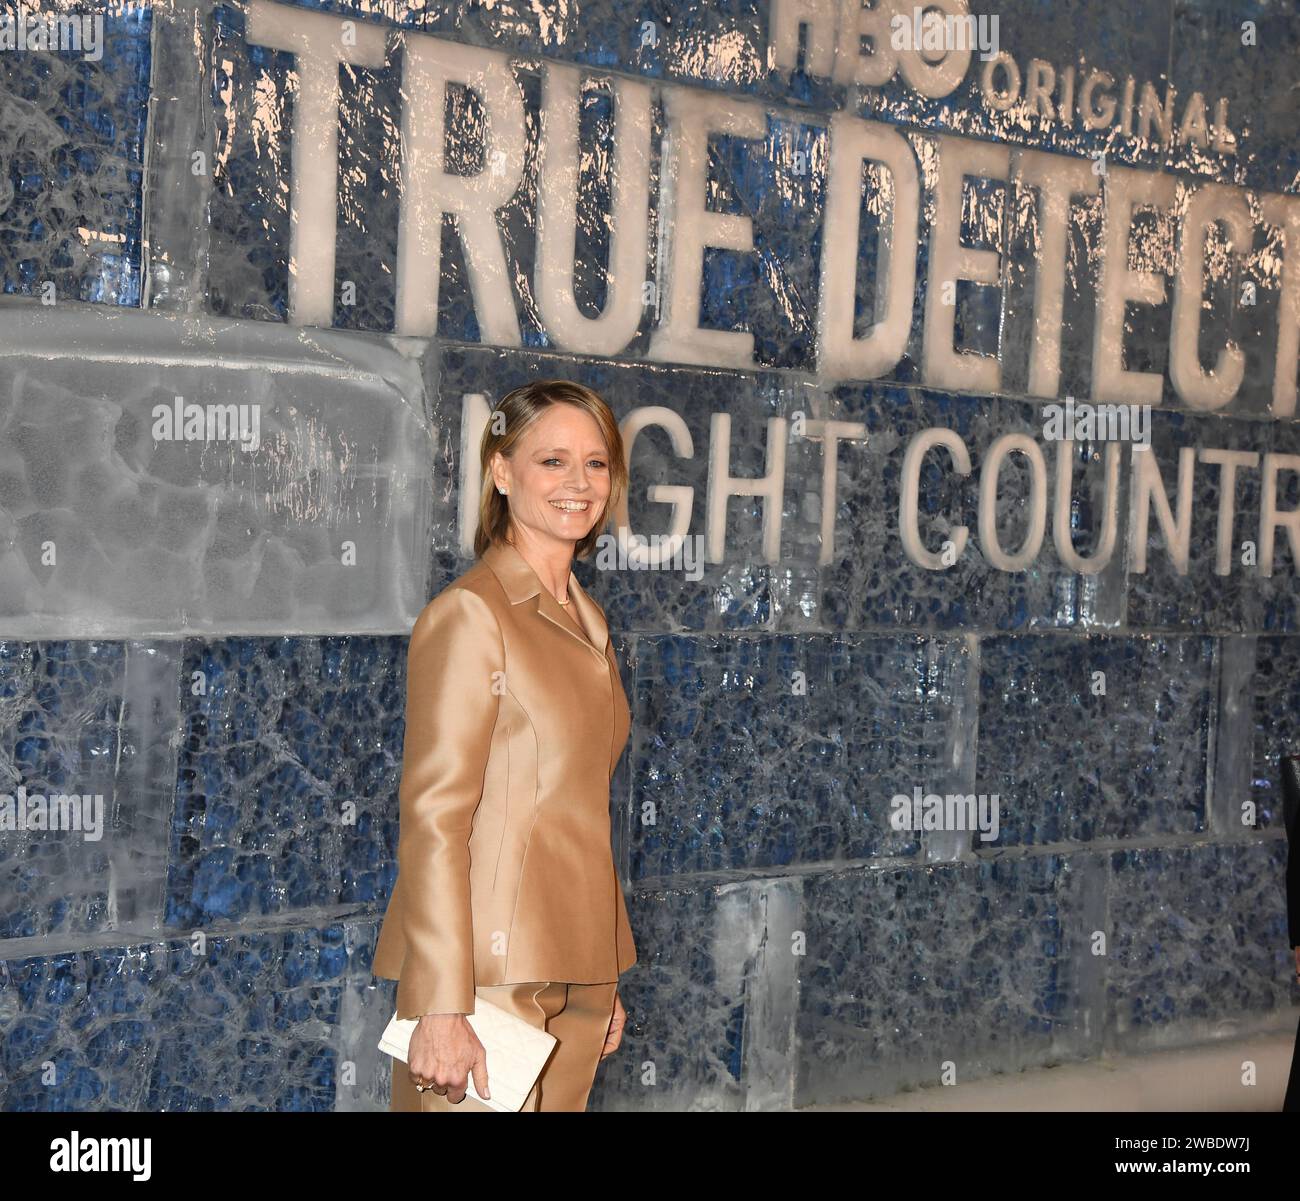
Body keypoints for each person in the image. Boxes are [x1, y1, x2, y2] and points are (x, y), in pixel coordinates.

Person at [373, 378, 638, 1112]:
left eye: (596, 463)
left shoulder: (590, 622)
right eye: (552, 460)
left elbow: (580, 807)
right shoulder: (470, 614)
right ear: (501, 471)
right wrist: (439, 1001)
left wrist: (602, 967)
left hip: (576, 970)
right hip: (485, 982)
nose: (578, 483)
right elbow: (435, 816)